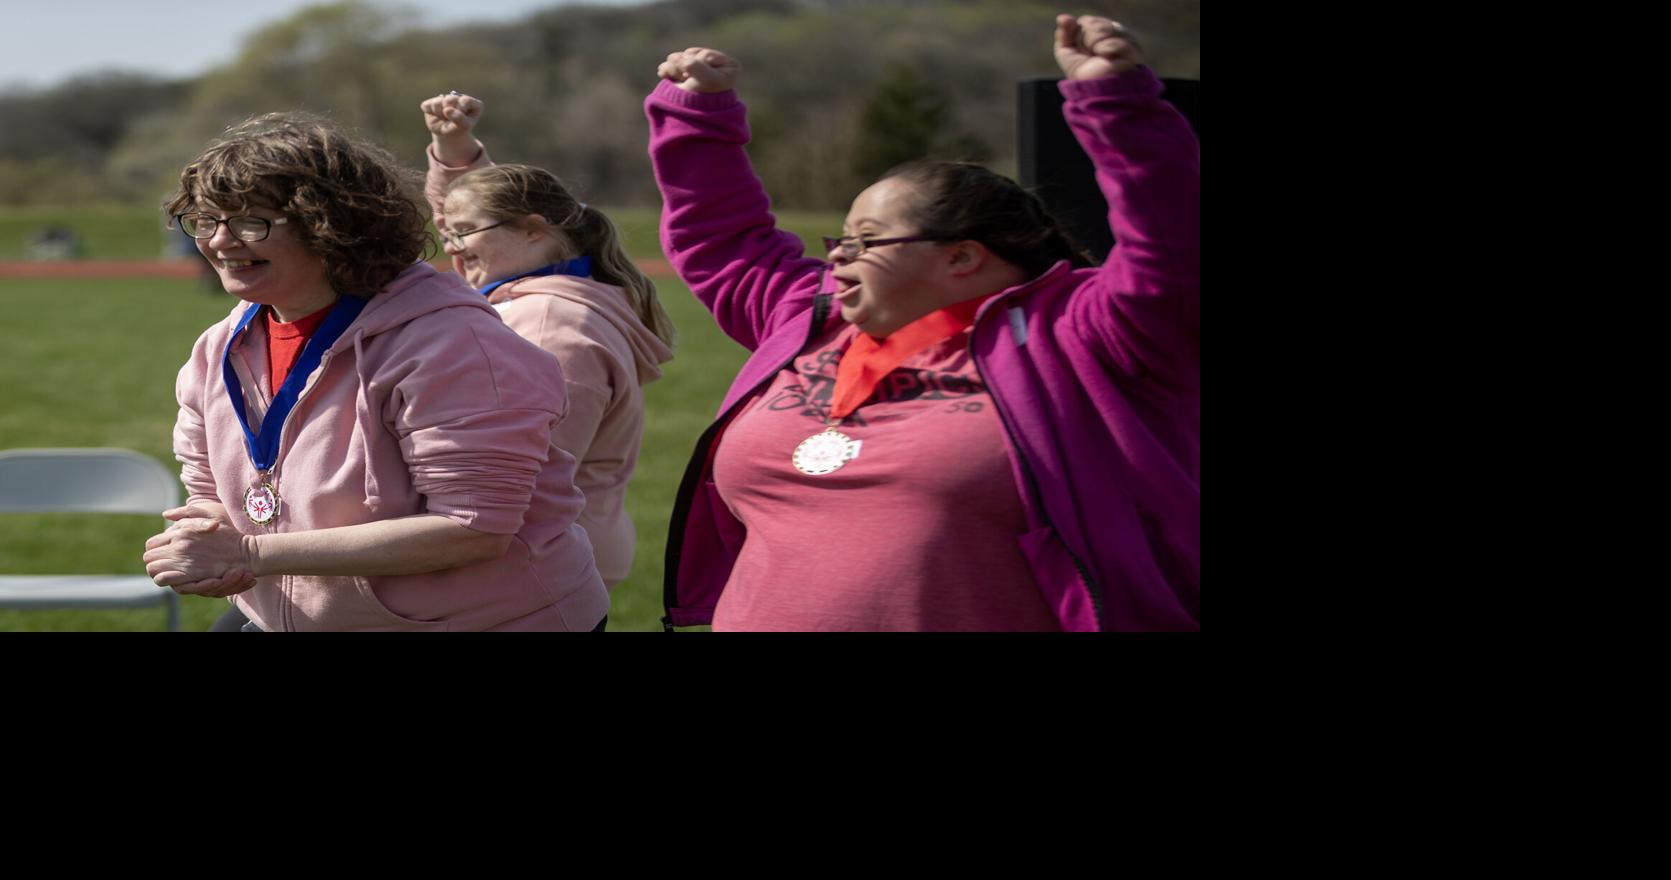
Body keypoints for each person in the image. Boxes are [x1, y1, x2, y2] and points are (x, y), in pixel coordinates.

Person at [646, 14, 1199, 631]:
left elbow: (1172, 249)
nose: (837, 256)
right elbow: (725, 239)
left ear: (962, 257)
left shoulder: (1084, 335)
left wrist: (1116, 104)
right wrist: (695, 118)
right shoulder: (811, 315)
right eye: (842, 237)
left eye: (867, 241)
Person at [143, 112, 609, 631]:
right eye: (207, 220)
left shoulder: (454, 346)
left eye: (252, 222)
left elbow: (473, 528)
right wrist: (206, 530)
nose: (221, 241)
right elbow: (211, 488)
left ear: (329, 224)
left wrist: (250, 554)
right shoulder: (220, 348)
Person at [419, 92, 676, 590]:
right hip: (537, 556)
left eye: (463, 233)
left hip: (530, 570)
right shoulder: (539, 284)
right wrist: (453, 148)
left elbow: (526, 472)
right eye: (449, 234)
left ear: (535, 230)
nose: (451, 247)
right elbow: (486, 212)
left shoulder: (548, 325)